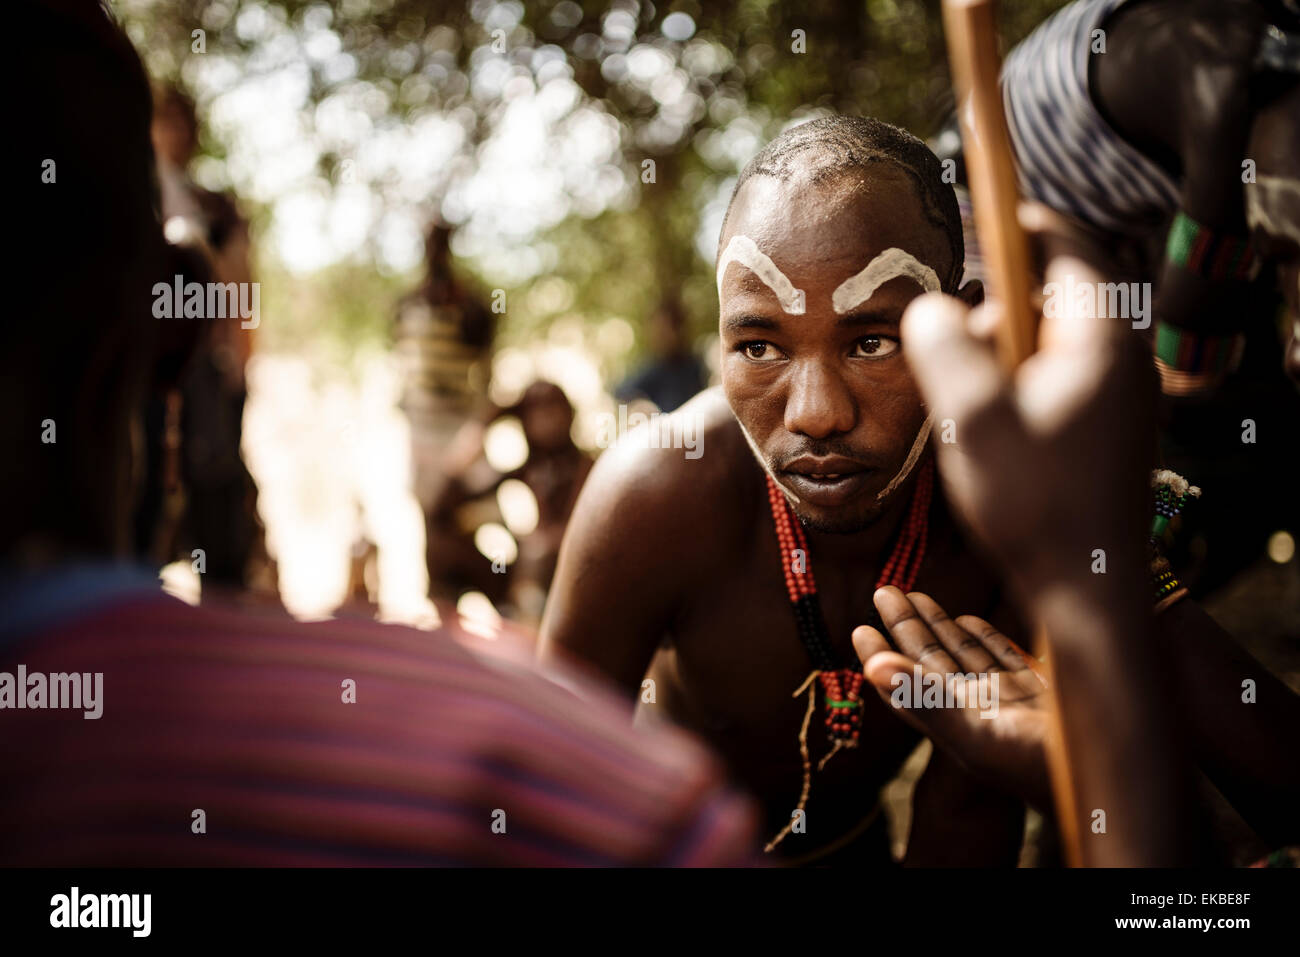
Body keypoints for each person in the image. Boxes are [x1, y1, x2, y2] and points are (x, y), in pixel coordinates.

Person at [4, 0, 757, 868]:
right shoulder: (567, 795)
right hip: (418, 432)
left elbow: (481, 373)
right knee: (432, 527)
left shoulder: (471, 308)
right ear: (169, 335)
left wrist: (477, 433)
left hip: (454, 430)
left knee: (455, 526)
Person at [540, 115, 1300, 866]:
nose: (816, 413)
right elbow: (548, 785)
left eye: (872, 341)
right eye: (760, 345)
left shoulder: (1015, 501)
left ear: (962, 323)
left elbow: (969, 808)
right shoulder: (655, 492)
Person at [615, 297, 710, 413]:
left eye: (664, 330)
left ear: (678, 329)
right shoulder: (654, 368)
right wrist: (639, 404)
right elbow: (621, 391)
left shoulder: (695, 367)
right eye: (657, 330)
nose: (659, 336)